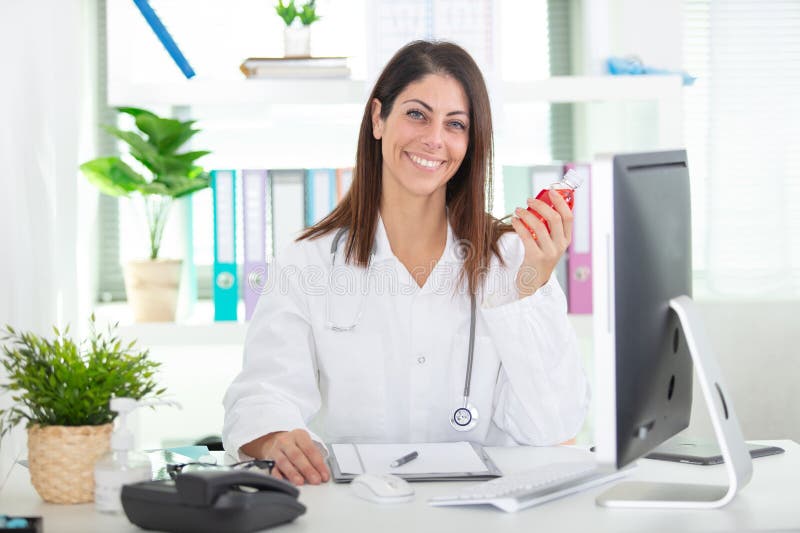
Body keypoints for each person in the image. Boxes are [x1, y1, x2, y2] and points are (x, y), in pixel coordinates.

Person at [223, 40, 589, 486]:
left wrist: (532, 283)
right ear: (378, 118)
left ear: (470, 144)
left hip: (481, 516)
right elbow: (263, 393)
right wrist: (276, 438)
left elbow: (553, 425)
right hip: (358, 509)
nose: (434, 139)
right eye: (417, 114)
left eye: (455, 124)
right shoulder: (309, 259)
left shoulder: (514, 259)